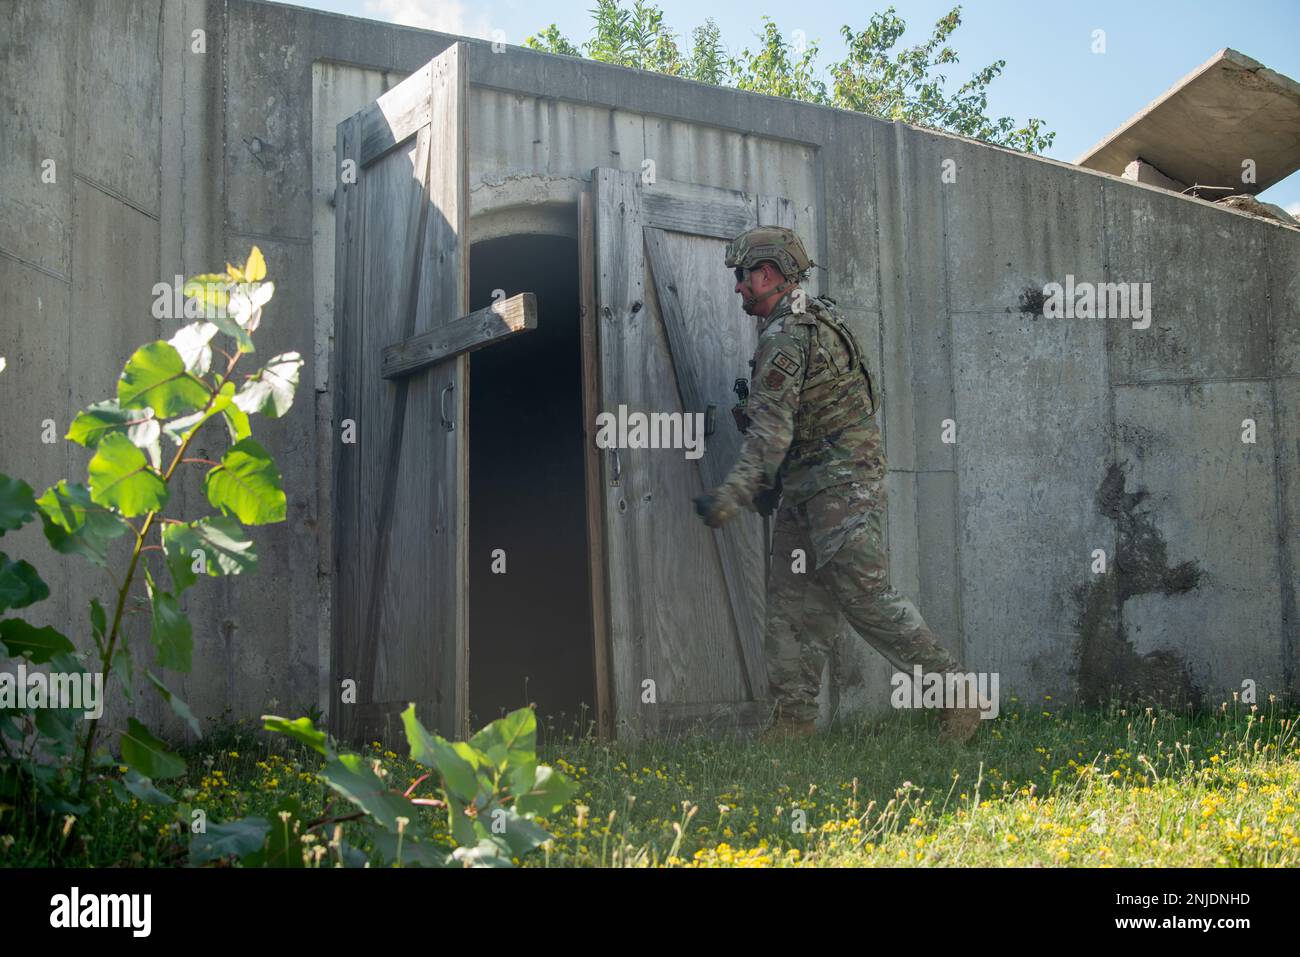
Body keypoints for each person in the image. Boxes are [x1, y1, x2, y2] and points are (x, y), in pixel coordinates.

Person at [692, 226, 982, 744]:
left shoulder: (786, 335)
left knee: (864, 595)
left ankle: (957, 694)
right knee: (791, 606)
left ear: (769, 274)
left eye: (742, 276)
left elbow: (772, 432)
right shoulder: (812, 313)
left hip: (841, 483)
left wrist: (729, 497)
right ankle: (793, 722)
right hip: (811, 484)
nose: (737, 287)